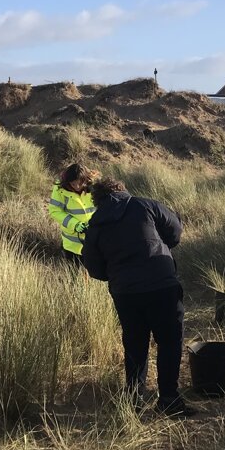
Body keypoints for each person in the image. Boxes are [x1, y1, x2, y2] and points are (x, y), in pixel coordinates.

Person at [81, 178, 193, 417]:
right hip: (161, 285)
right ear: (122, 190)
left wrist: (116, 275)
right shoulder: (144, 205)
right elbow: (175, 230)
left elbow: (93, 267)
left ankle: (133, 401)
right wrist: (163, 245)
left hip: (125, 293)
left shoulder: (95, 224)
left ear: (97, 200)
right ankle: (169, 400)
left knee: (134, 344)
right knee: (170, 341)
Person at [49, 163, 99, 264]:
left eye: (80, 183)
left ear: (85, 179)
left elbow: (103, 208)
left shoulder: (96, 186)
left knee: (93, 275)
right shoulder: (60, 189)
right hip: (72, 244)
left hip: (94, 241)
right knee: (73, 275)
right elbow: (55, 211)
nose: (76, 187)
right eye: (73, 184)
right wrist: (75, 224)